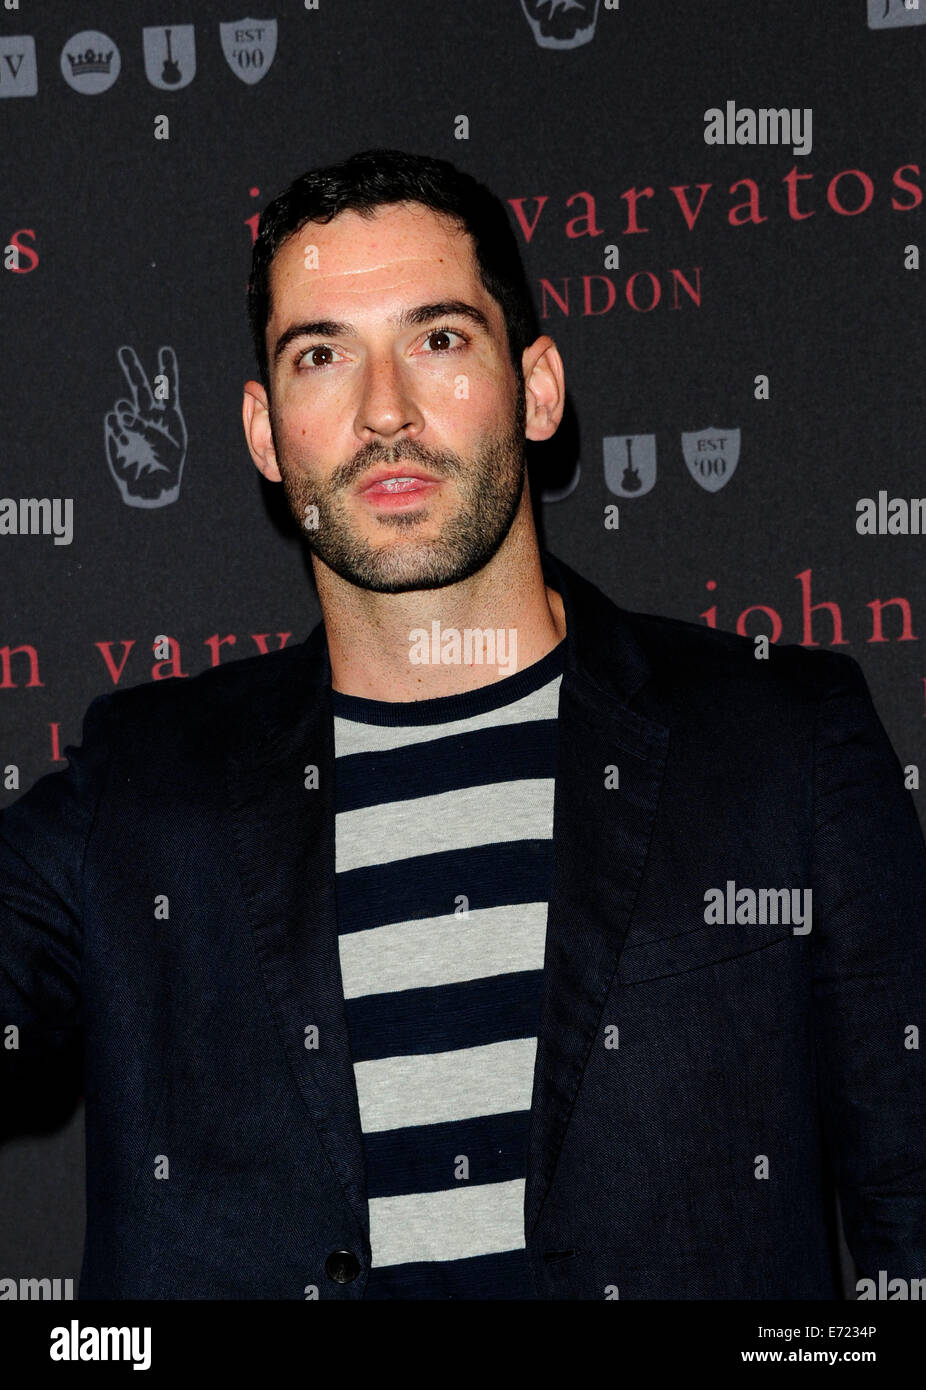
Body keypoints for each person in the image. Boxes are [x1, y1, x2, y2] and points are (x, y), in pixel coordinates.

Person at [2, 148, 924, 1300]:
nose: (383, 411)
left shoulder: (779, 742)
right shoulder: (139, 786)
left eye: (437, 338)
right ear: (261, 430)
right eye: (321, 354)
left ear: (536, 389)